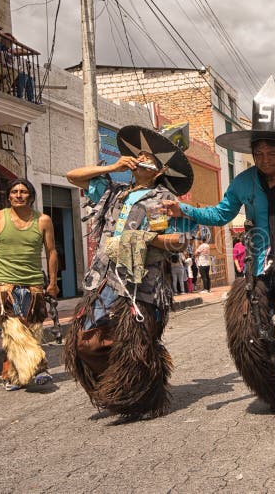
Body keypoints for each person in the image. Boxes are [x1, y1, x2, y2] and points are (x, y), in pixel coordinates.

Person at [163, 76, 275, 426]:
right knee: (246, 333)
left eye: (271, 153)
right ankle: (272, 391)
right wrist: (187, 211)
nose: (265, 159)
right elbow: (222, 213)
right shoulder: (243, 182)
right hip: (257, 268)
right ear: (251, 155)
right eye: (259, 153)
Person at [64, 125, 194, 419]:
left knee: (135, 343)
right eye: (139, 156)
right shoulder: (114, 190)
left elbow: (180, 240)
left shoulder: (165, 200)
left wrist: (144, 239)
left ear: (159, 172)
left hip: (141, 284)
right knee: (87, 342)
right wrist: (113, 165)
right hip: (102, 279)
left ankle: (137, 397)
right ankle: (119, 387)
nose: (141, 159)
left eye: (149, 159)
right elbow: (72, 177)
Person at [0, 179, 58, 390]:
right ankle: (39, 367)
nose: (19, 195)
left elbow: (51, 252)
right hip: (3, 285)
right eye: (14, 192)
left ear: (30, 196)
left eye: (23, 192)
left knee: (32, 330)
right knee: (13, 329)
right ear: (8, 196)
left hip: (34, 285)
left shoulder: (43, 220)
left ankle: (13, 376)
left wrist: (53, 282)